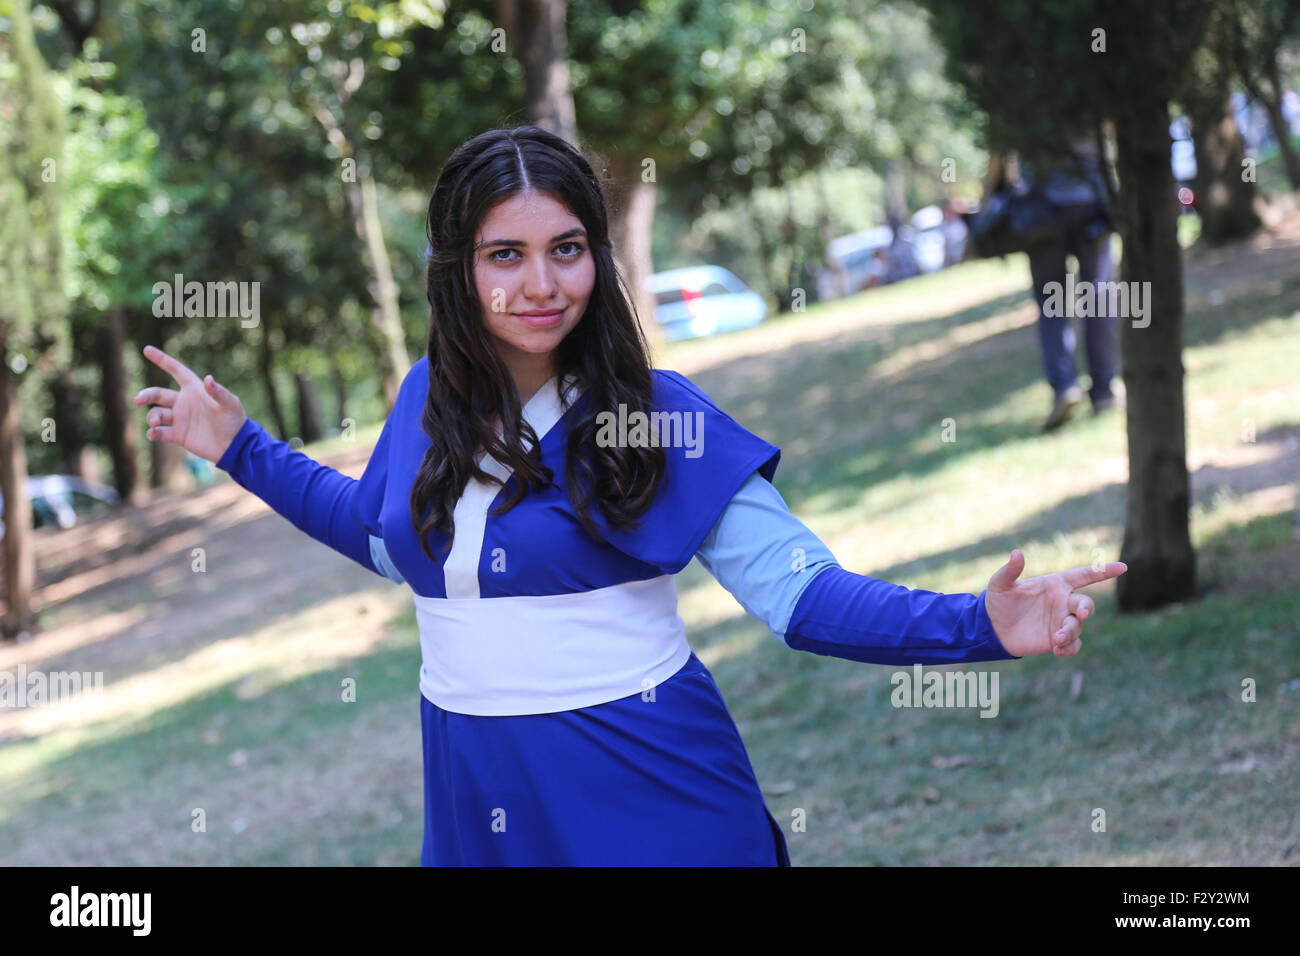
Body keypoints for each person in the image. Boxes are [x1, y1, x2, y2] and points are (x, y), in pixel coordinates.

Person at [134, 125, 1127, 866]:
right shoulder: (424, 401)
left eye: (565, 248)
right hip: (476, 797)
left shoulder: (654, 414)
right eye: (504, 254)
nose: (540, 283)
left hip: (646, 787)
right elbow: (383, 537)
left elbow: (802, 594)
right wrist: (242, 447)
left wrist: (978, 623)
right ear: (458, 268)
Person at [1017, 135, 1125, 432]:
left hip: (1042, 208)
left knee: (1052, 302)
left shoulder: (1024, 92)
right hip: (1088, 199)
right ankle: (1103, 388)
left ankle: (1065, 386)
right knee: (1099, 295)